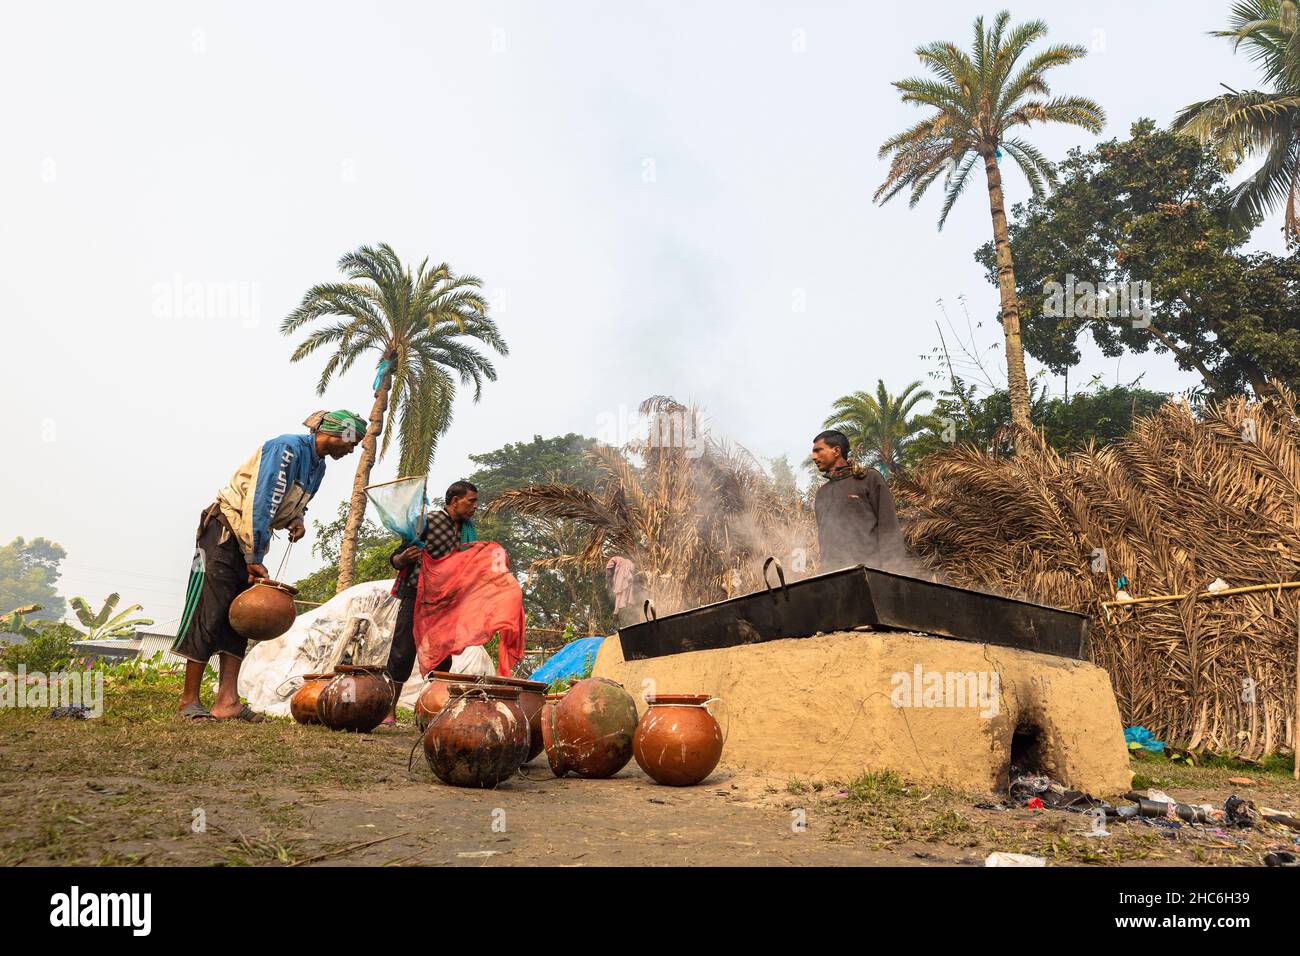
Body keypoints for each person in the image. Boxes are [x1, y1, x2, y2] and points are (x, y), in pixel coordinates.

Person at [173, 410, 365, 721]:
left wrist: (296, 520)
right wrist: (255, 558)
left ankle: (227, 702)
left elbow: (292, 503)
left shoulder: (318, 467)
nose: (352, 449)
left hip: (248, 542)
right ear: (338, 433)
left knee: (239, 618)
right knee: (207, 612)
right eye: (352, 441)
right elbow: (261, 501)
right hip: (222, 533)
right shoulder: (286, 448)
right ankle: (188, 701)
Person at [381, 480, 479, 722]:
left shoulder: (467, 532)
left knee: (442, 656)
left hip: (445, 602)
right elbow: (395, 557)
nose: (476, 506)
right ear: (455, 501)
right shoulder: (428, 522)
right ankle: (389, 710)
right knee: (403, 651)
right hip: (416, 595)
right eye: (472, 501)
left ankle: (432, 710)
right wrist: (404, 557)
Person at [810, 429, 909, 572]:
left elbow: (889, 528)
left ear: (836, 451)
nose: (813, 456)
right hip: (833, 577)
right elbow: (823, 540)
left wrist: (893, 573)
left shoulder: (869, 479)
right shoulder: (821, 494)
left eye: (818, 450)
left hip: (871, 572)